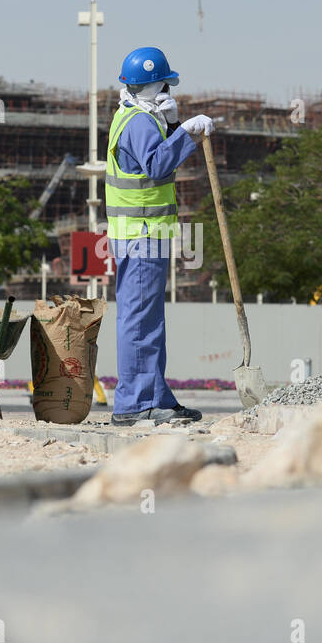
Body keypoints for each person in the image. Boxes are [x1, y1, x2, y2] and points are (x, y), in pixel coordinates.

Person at [106, 46, 215, 425]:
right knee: (139, 321)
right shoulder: (137, 122)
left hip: (144, 235)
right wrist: (185, 133)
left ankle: (155, 396)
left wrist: (169, 127)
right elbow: (156, 164)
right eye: (166, 83)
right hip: (140, 235)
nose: (169, 89)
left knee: (149, 321)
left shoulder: (139, 117)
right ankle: (135, 403)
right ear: (154, 84)